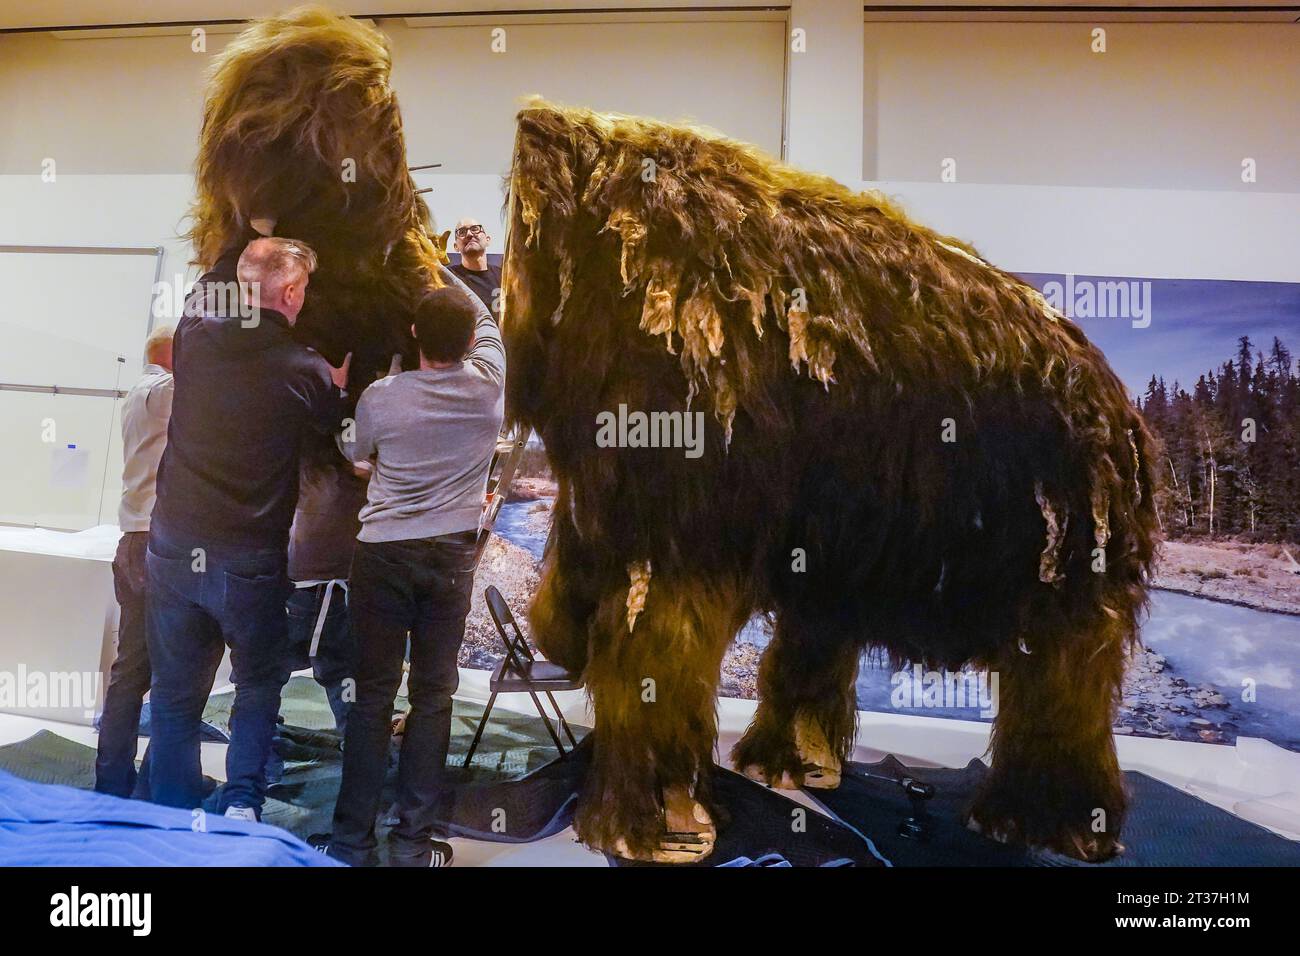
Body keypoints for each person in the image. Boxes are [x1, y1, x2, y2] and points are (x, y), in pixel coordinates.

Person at [145, 237, 350, 821]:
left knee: (176, 694)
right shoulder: (305, 370)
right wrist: (338, 387)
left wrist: (244, 229)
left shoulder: (194, 340)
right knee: (258, 685)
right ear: (290, 293)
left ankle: (172, 807)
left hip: (173, 549)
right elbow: (338, 433)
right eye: (303, 290)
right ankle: (240, 804)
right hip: (249, 562)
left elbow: (204, 288)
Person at [326, 282, 503, 867]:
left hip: (381, 556)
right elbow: (487, 321)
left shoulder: (381, 395)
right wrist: (448, 273)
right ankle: (412, 844)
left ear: (415, 335)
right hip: (449, 560)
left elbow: (354, 453)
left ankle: (352, 842)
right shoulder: (490, 390)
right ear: (471, 340)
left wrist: (342, 407)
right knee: (433, 696)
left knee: (372, 697)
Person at [94, 325, 175, 798]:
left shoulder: (140, 393)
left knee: (135, 669)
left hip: (138, 541)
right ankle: (138, 783)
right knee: (153, 671)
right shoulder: (157, 391)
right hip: (153, 543)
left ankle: (119, 779)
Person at [264, 439, 369, 786]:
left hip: (316, 579)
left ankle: (260, 765)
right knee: (340, 676)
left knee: (266, 676)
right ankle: (364, 773)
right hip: (317, 580)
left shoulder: (314, 443)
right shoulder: (334, 449)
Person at [448, 218, 501, 322]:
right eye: (462, 232)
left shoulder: (504, 276)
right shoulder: (448, 277)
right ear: (455, 246)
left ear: (487, 239)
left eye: (475, 229)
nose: (469, 234)